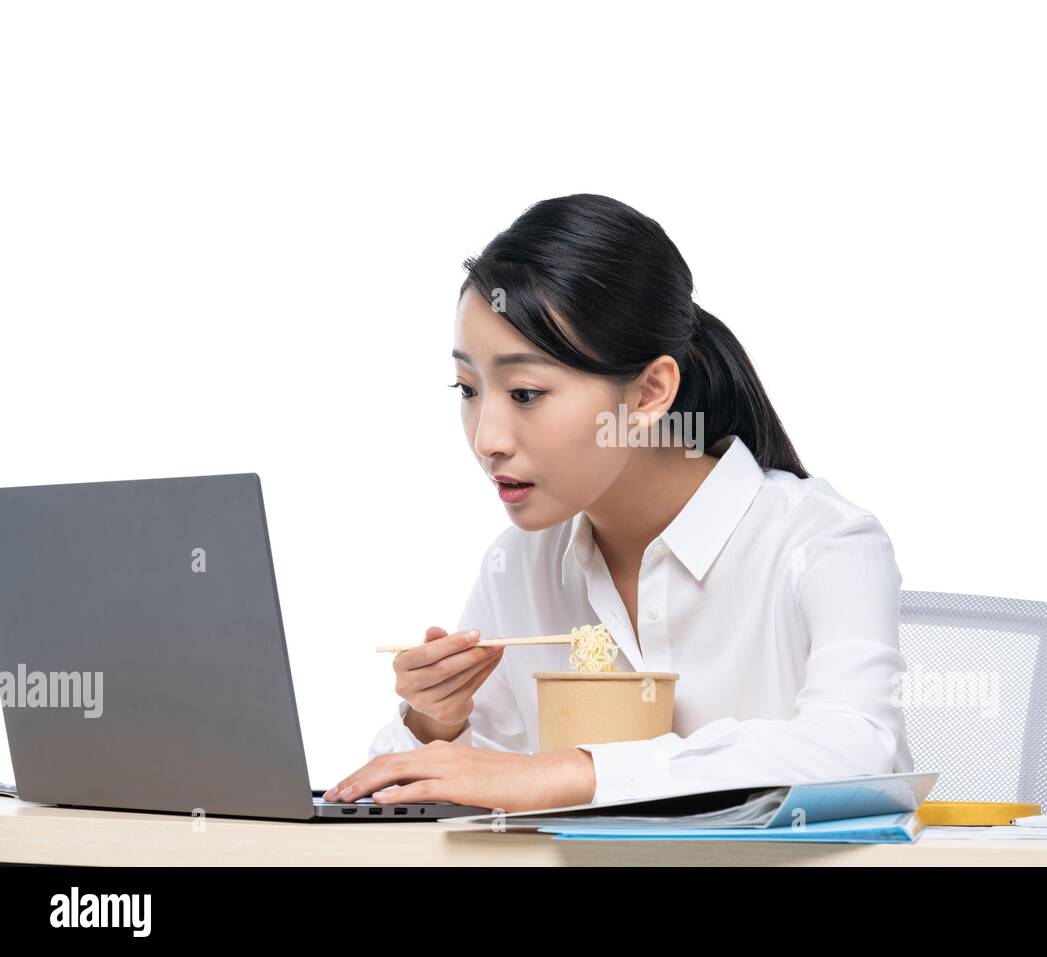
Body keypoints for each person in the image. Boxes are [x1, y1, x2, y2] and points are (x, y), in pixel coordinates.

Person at [324, 193, 913, 812]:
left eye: (525, 392)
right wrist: (435, 723)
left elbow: (857, 746)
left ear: (651, 392)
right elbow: (441, 797)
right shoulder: (520, 563)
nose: (486, 439)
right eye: (467, 389)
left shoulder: (821, 542)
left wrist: (575, 773)